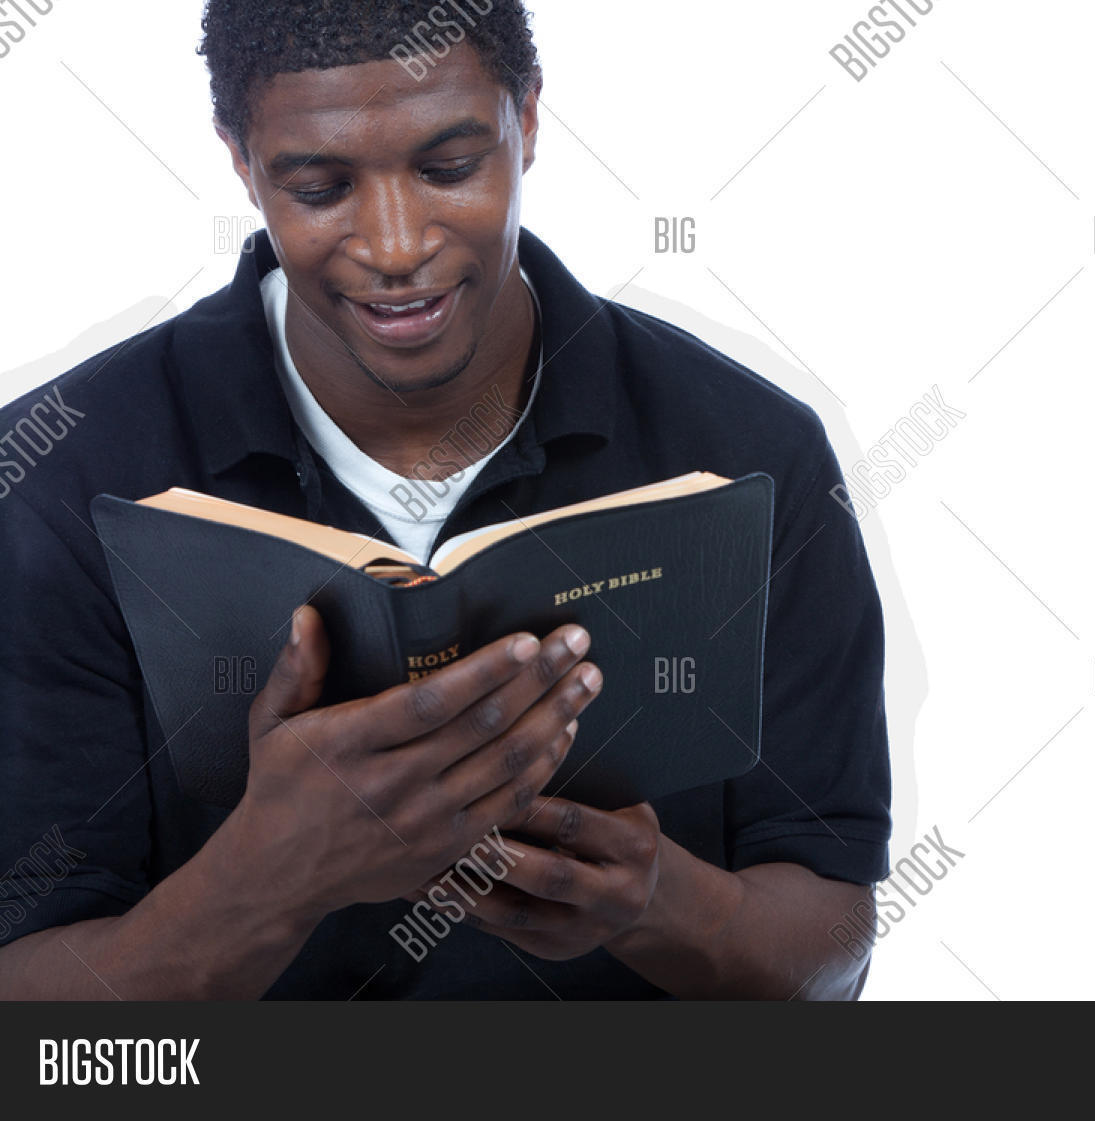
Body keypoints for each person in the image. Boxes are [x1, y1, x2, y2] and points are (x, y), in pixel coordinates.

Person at [0, 0, 891, 999]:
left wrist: (657, 902)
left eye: (450, 167)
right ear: (243, 164)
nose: (394, 244)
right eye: (321, 185)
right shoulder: (50, 481)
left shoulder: (749, 450)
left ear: (531, 120)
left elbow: (831, 949)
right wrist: (264, 881)